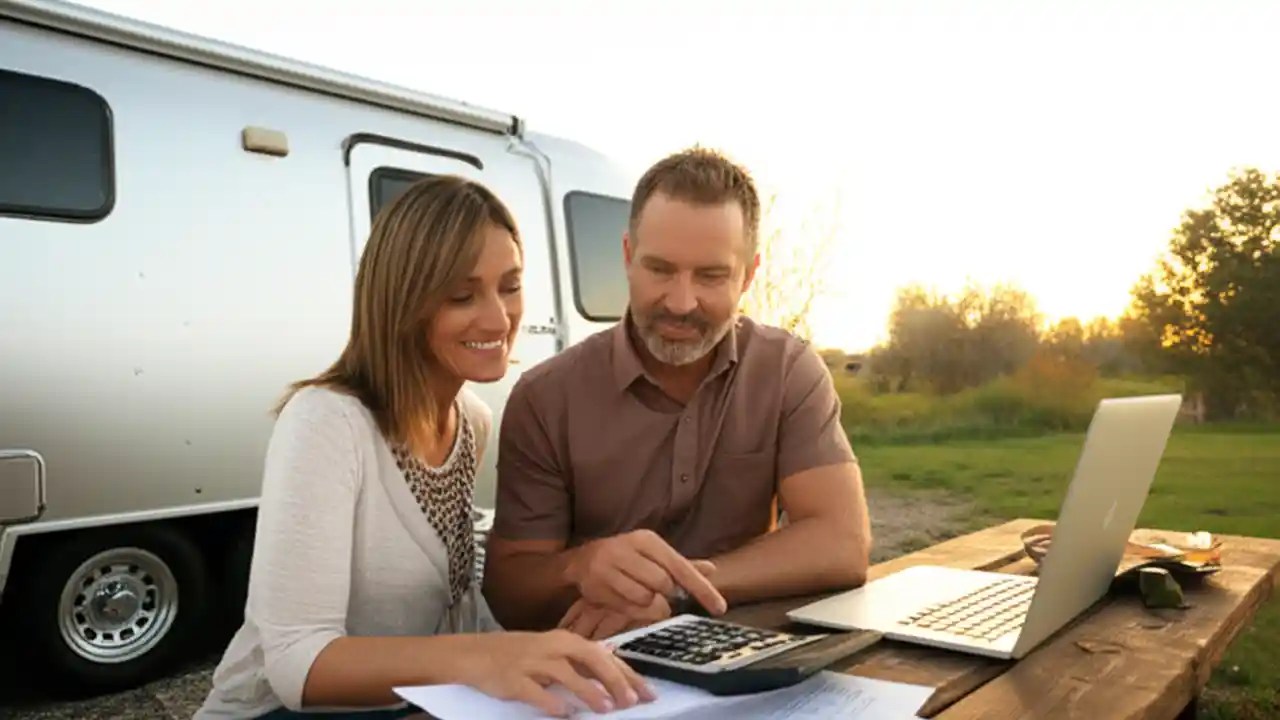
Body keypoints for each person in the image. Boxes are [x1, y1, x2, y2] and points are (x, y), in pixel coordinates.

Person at [195, 176, 652, 719]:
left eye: (509, 286)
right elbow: (298, 664)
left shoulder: (472, 423)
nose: (497, 317)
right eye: (461, 295)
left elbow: (455, 609)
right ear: (401, 301)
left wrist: (578, 622)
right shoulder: (326, 422)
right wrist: (483, 658)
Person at [482, 147, 873, 639]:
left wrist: (675, 591)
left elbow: (841, 542)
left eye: (711, 276)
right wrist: (580, 566)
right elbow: (508, 592)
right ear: (627, 257)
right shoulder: (547, 397)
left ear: (748, 275)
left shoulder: (787, 370)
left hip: (745, 655)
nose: (682, 302)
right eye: (660, 270)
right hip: (597, 667)